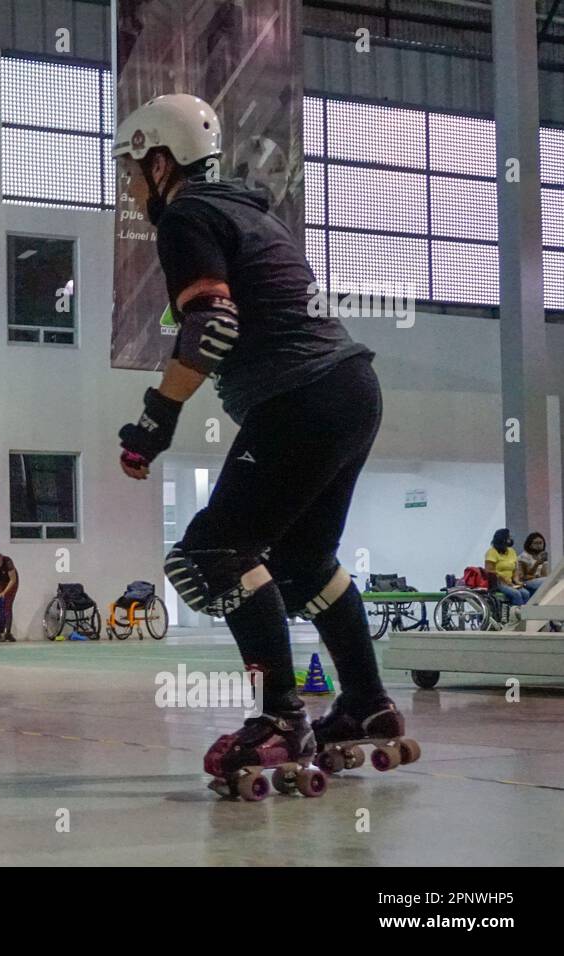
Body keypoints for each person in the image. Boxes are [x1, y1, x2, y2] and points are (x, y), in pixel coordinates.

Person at [112, 93, 414, 793]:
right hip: (351, 389)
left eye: (133, 169)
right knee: (305, 560)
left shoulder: (187, 215)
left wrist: (155, 422)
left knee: (210, 554)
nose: (131, 188)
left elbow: (210, 330)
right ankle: (368, 703)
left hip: (300, 397)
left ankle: (281, 718)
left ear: (162, 162)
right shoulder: (247, 211)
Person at [485, 528, 530, 607]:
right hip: (498, 583)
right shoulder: (492, 552)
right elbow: (489, 570)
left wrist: (516, 581)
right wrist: (503, 579)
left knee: (526, 593)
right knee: (516, 594)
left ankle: (526, 614)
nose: (510, 539)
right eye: (509, 537)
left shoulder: (512, 551)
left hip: (510, 582)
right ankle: (517, 615)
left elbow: (515, 569)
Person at [518, 532, 549, 598]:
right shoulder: (524, 556)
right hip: (526, 582)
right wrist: (536, 564)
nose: (539, 545)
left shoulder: (541, 555)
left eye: (541, 543)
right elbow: (522, 577)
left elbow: (544, 575)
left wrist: (543, 563)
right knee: (547, 581)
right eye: (536, 543)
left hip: (537, 581)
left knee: (552, 581)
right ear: (530, 545)